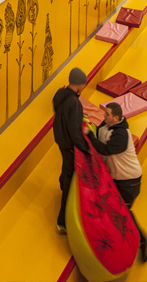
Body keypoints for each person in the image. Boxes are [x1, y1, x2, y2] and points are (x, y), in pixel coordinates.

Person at [87, 102, 147, 262]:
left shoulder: (122, 135)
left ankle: (143, 240)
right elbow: (98, 136)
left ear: (116, 117)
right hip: (118, 180)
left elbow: (106, 149)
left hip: (129, 182)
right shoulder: (106, 125)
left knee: (124, 213)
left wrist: (88, 135)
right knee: (114, 211)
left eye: (107, 114)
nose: (104, 117)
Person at [52, 66, 90, 234]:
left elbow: (62, 115)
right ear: (80, 85)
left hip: (60, 139)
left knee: (65, 167)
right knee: (69, 176)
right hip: (68, 145)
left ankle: (62, 181)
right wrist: (86, 148)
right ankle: (62, 222)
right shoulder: (75, 103)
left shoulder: (60, 93)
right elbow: (75, 134)